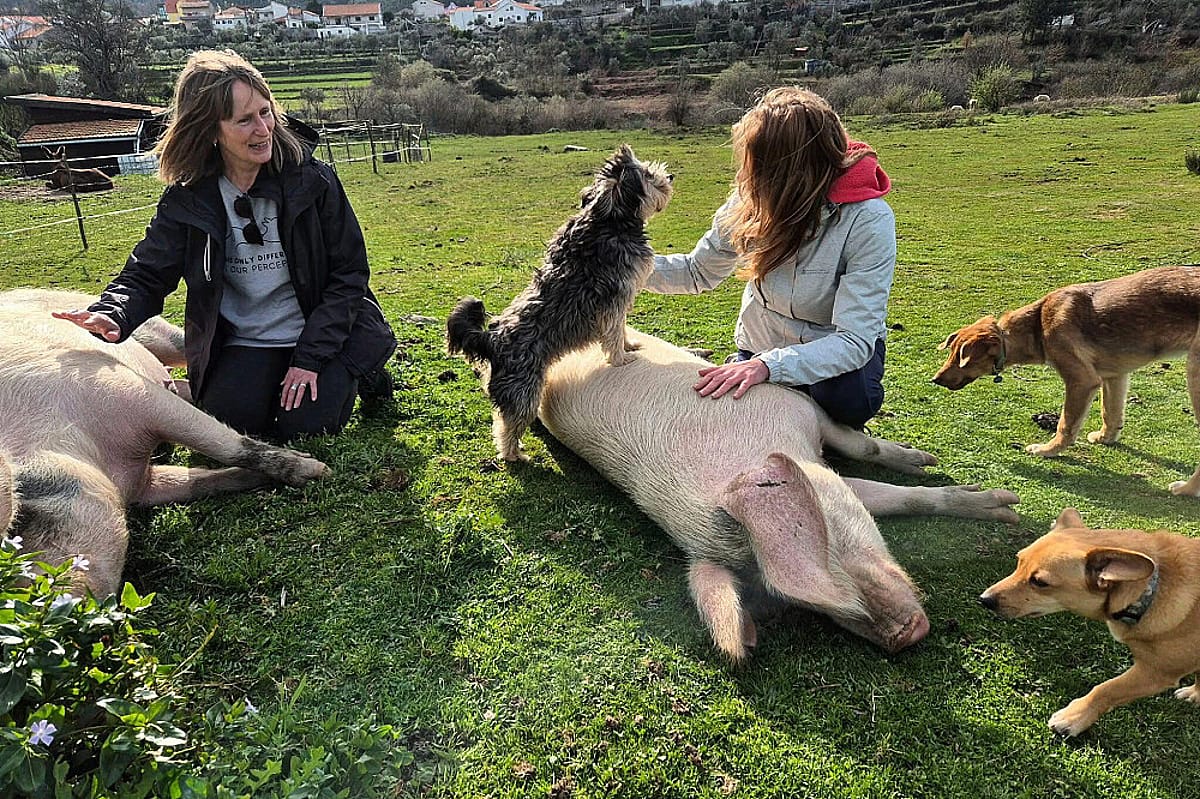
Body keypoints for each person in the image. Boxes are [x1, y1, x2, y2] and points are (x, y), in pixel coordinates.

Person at [54, 50, 396, 442]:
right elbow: (149, 270)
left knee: (304, 427)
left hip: (315, 333)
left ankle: (365, 368)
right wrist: (114, 313)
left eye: (266, 112)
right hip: (244, 339)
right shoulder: (189, 198)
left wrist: (310, 359)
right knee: (231, 423)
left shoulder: (312, 182)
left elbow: (348, 275)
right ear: (210, 130)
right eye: (245, 120)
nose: (263, 129)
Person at [643, 86, 896, 429]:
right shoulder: (751, 202)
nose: (749, 177)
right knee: (746, 411)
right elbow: (697, 271)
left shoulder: (867, 219)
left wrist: (768, 367)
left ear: (787, 169)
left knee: (849, 403)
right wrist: (624, 267)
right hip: (763, 341)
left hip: (828, 346)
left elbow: (853, 340)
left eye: (758, 166)